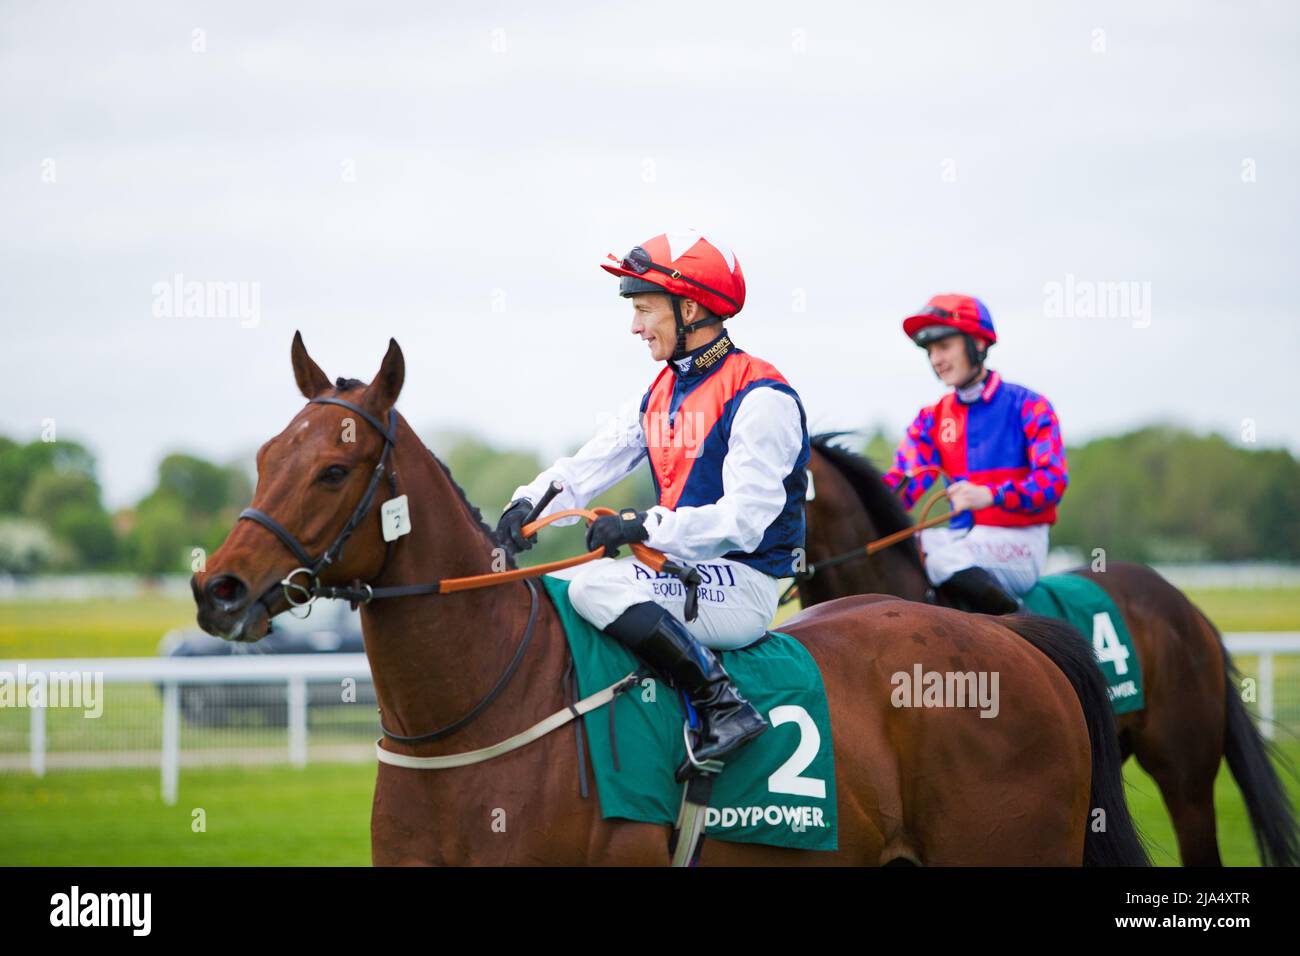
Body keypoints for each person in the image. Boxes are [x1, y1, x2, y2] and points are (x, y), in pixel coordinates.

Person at [496, 229, 810, 778]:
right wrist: (525, 506)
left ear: (689, 308)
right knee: (558, 589)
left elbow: (745, 521)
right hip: (686, 572)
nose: (636, 327)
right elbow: (587, 466)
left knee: (594, 585)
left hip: (744, 585)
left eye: (644, 310)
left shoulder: (761, 397)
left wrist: (645, 524)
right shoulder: (660, 391)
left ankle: (723, 705)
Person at [881, 294, 1069, 614]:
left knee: (942, 560)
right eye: (929, 351)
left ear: (978, 343)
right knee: (896, 553)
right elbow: (902, 485)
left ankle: (1029, 631)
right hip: (962, 540)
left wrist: (991, 496)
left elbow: (1052, 483)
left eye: (944, 346)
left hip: (1021, 544)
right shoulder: (931, 419)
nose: (935, 359)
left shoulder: (1029, 406)